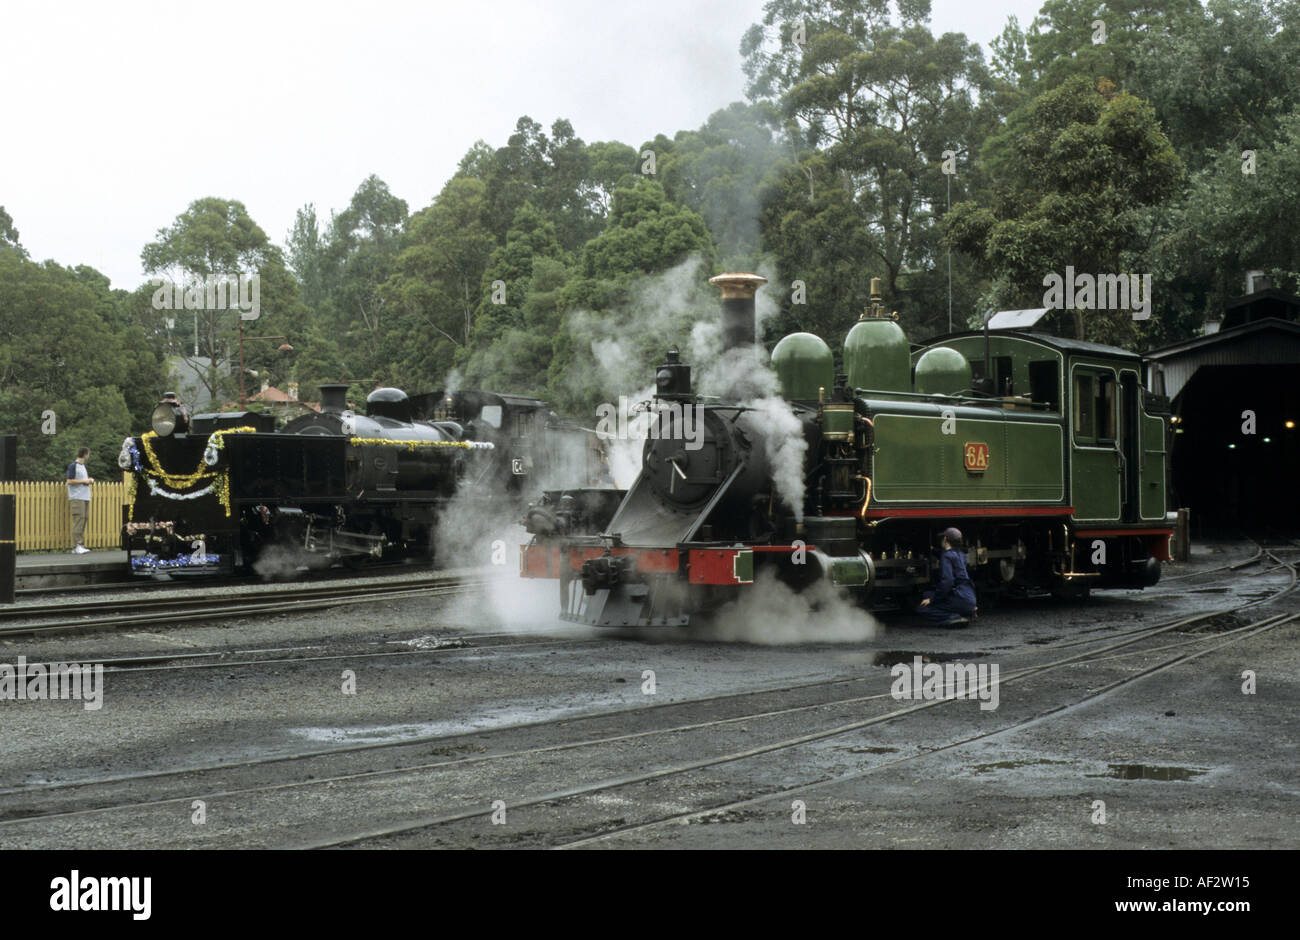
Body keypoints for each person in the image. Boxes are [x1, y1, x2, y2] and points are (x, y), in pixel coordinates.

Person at [916, 526, 978, 627]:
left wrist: (932, 600)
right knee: (927, 594)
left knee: (922, 608)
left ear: (945, 539)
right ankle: (967, 611)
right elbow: (946, 554)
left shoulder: (946, 556)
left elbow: (947, 582)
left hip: (960, 597)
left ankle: (953, 618)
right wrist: (932, 549)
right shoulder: (960, 555)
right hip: (969, 597)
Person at [66, 446, 94, 554]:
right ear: (85, 454)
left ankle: (80, 544)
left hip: (85, 496)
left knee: (84, 519)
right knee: (78, 520)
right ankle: (75, 546)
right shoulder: (74, 466)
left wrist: (88, 481)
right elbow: (69, 481)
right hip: (77, 497)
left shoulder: (83, 466)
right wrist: (85, 480)